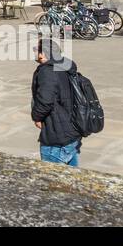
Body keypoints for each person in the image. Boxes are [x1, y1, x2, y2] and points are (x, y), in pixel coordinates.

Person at [31, 37, 82, 166]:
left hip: (56, 137)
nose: (34, 52)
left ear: (43, 54)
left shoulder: (47, 71)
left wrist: (36, 117)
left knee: (52, 182)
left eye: (36, 49)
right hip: (72, 132)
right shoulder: (64, 66)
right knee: (73, 181)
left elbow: (45, 101)